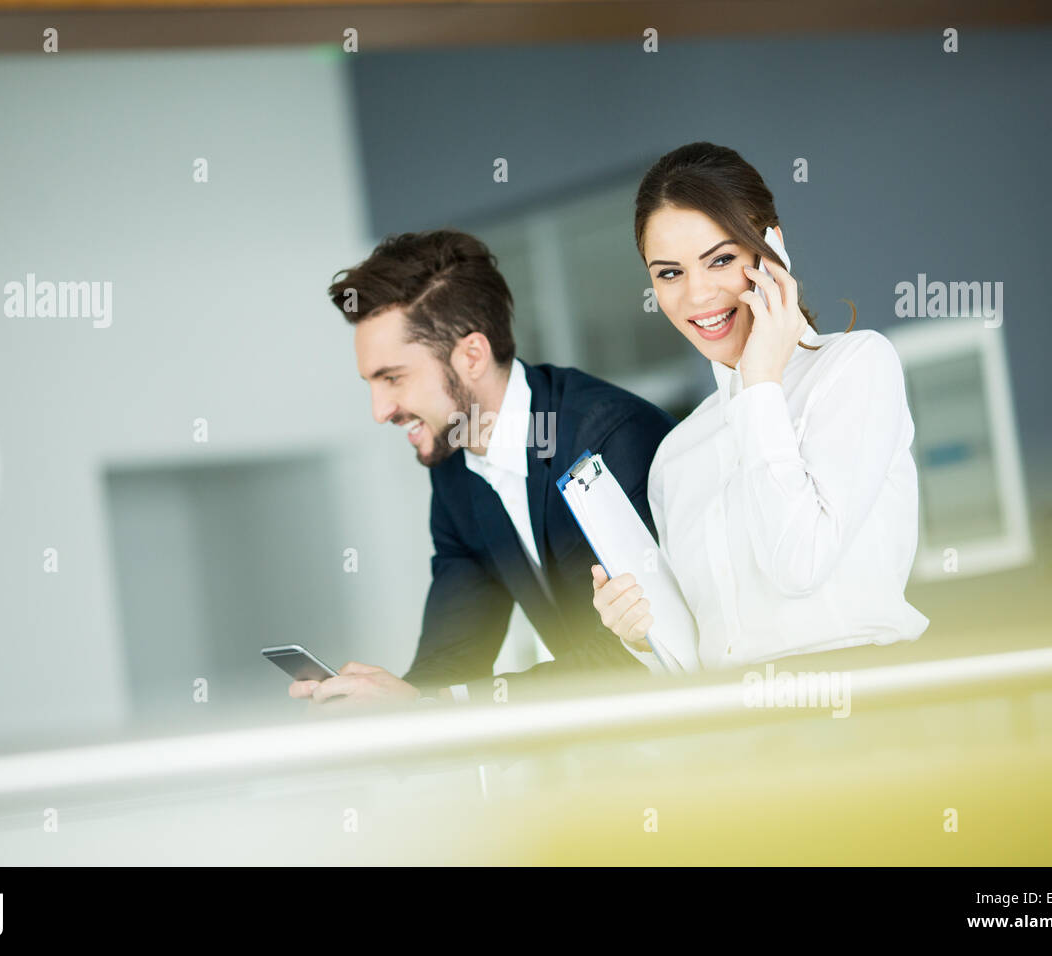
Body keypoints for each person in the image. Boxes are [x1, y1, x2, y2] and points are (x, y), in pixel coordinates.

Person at [290, 229, 677, 710]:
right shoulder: (455, 469)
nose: (379, 409)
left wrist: (437, 706)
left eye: (393, 378)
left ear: (472, 355)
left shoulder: (606, 441)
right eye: (372, 382)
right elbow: (455, 651)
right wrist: (389, 705)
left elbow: (634, 656)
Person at [592, 143, 929, 672]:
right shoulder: (676, 457)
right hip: (739, 736)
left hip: (861, 714)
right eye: (670, 273)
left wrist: (760, 383)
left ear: (771, 248)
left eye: (720, 260)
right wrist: (640, 633)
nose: (698, 295)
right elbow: (702, 660)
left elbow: (798, 565)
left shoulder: (857, 367)